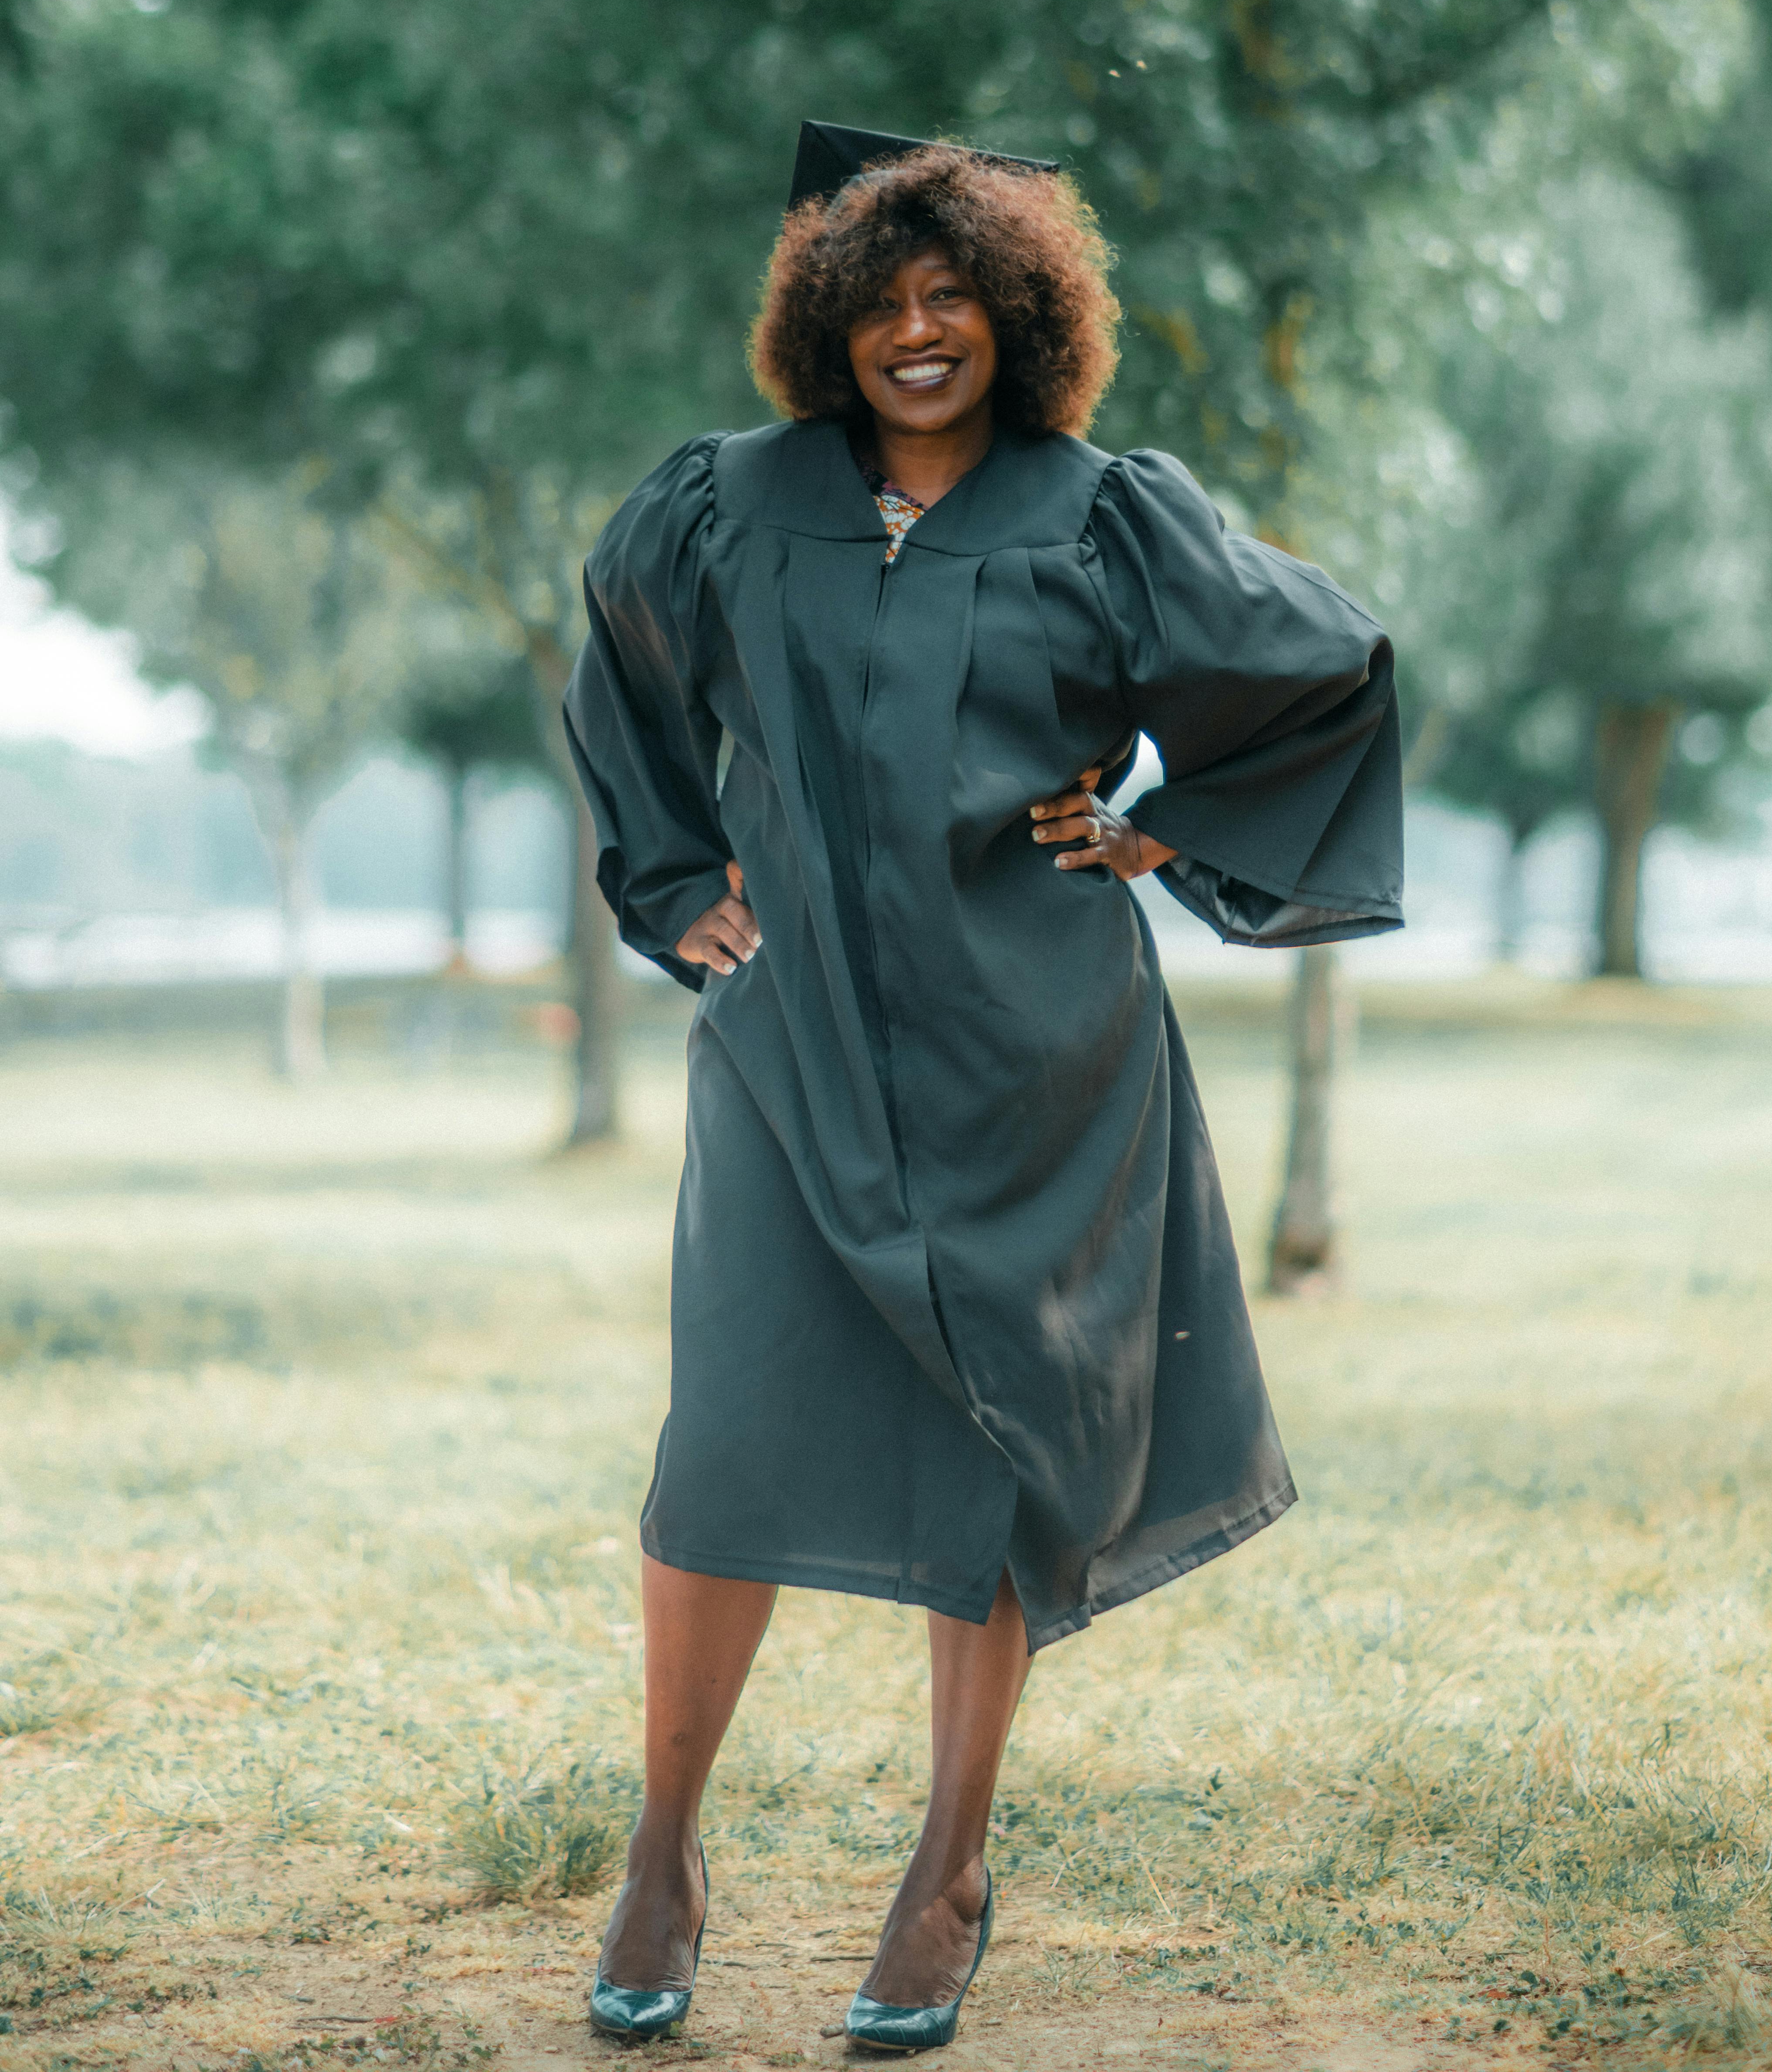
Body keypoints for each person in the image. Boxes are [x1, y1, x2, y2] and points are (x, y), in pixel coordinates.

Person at [563, 126, 1403, 2052]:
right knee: (722, 1451)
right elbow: (617, 683)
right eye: (880, 302)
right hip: (792, 1051)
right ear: (822, 325)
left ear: (1018, 315)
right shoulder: (723, 502)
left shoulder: (1101, 514)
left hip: (1036, 1054)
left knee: (1002, 1447)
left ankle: (943, 1873)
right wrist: (683, 889)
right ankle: (666, 1848)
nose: (917, 331)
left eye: (952, 297)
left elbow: (1327, 665)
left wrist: (1157, 835)